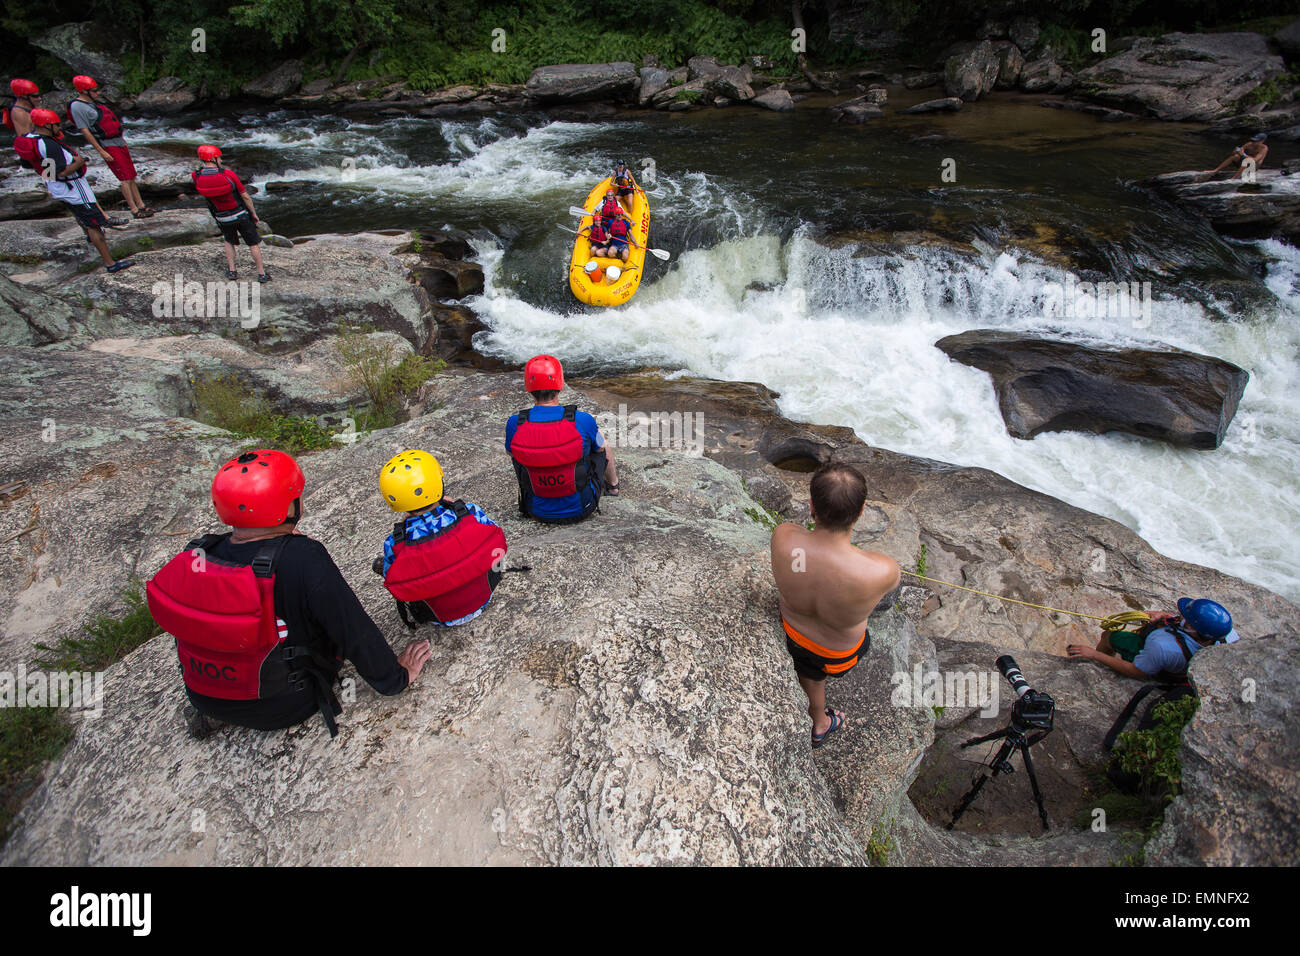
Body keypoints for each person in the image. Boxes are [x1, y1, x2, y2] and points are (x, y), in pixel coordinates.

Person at [146, 449, 432, 739]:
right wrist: (395, 678)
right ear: (287, 506)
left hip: (205, 696)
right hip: (284, 705)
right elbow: (352, 629)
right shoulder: (304, 559)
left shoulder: (202, 553)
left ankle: (221, 710)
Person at [770, 463, 900, 748]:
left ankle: (819, 721)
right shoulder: (881, 570)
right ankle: (820, 723)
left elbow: (803, 556)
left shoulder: (784, 538)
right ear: (861, 512)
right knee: (818, 673)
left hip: (794, 636)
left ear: (811, 505)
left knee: (811, 678)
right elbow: (890, 586)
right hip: (841, 653)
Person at [374, 449, 508, 628]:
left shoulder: (395, 543)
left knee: (388, 565)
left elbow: (394, 576)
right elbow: (494, 534)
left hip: (438, 616)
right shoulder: (470, 512)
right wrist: (454, 507)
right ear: (439, 483)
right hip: (483, 596)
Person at [12, 108, 134, 273]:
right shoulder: (49, 144)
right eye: (56, 125)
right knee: (95, 224)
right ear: (47, 125)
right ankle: (110, 263)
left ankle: (89, 237)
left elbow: (44, 169)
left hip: (57, 187)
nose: (59, 128)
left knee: (79, 215)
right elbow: (61, 172)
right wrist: (79, 161)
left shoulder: (31, 139)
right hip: (72, 187)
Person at [505, 354, 619, 523]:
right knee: (599, 440)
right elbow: (600, 450)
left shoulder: (516, 423)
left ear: (528, 387)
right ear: (560, 384)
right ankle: (613, 486)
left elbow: (511, 454)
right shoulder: (582, 419)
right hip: (584, 507)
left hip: (536, 510)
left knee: (517, 453)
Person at [1067, 597, 1239, 681]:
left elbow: (1137, 671)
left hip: (1157, 667)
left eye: (1183, 616)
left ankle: (1097, 666)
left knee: (1109, 636)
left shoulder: (1162, 646)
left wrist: (1093, 655)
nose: (1179, 616)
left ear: (1192, 628)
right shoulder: (1228, 635)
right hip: (1176, 660)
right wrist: (1163, 616)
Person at [67, 74, 152, 219]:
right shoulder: (77, 106)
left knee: (131, 175)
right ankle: (134, 209)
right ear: (84, 91)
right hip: (107, 144)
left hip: (118, 141)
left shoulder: (92, 103)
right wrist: (101, 151)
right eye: (94, 90)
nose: (97, 93)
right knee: (124, 178)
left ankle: (141, 205)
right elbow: (85, 131)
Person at [192, 143, 269, 282]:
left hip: (221, 216)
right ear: (213, 158)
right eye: (219, 158)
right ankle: (261, 273)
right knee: (253, 243)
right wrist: (253, 213)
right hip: (240, 214)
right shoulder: (228, 174)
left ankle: (232, 271)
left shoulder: (196, 176)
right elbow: (245, 195)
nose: (221, 160)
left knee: (229, 241)